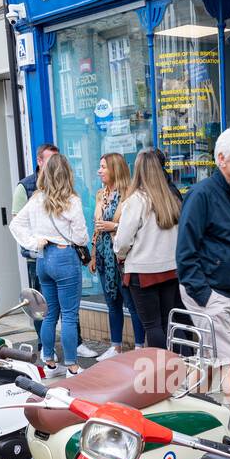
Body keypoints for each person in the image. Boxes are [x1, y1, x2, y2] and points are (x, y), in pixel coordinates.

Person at [176, 126, 230, 426]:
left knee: (211, 362)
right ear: (221, 159)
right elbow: (185, 255)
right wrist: (207, 298)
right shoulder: (202, 195)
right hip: (210, 294)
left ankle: (176, 404)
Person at [9, 152, 90, 377]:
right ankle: (72, 367)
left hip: (43, 258)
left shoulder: (36, 199)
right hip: (64, 258)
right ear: (67, 174)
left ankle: (50, 364)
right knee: (70, 315)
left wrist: (34, 242)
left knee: (50, 314)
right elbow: (81, 238)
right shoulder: (72, 201)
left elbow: (15, 225)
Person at [115, 149, 180, 349]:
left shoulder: (136, 200)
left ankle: (162, 372)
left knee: (152, 325)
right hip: (170, 269)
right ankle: (178, 368)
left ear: (139, 170)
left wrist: (120, 254)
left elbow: (123, 240)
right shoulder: (171, 197)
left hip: (143, 272)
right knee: (169, 323)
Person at [91, 152, 144, 359]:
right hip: (105, 258)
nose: (99, 170)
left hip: (123, 259)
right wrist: (94, 255)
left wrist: (113, 226)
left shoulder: (130, 195)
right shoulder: (100, 194)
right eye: (100, 166)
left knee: (132, 305)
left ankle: (140, 347)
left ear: (115, 169)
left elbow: (138, 227)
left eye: (103, 167)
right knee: (112, 303)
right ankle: (116, 347)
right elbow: (96, 227)